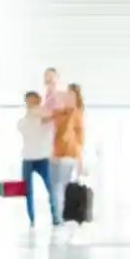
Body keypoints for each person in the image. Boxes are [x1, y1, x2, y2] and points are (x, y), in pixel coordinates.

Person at [17, 91, 58, 227]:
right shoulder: (23, 122)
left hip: (43, 159)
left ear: (38, 102)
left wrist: (41, 113)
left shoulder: (47, 121)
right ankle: (32, 219)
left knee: (51, 189)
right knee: (28, 192)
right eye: (28, 102)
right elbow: (28, 124)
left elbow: (53, 118)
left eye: (33, 102)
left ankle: (56, 218)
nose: (31, 104)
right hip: (28, 159)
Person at [50, 83, 85, 222]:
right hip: (55, 154)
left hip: (69, 155)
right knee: (54, 187)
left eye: (71, 95)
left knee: (62, 187)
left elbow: (80, 138)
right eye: (66, 94)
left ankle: (62, 216)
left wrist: (80, 159)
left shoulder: (76, 114)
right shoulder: (59, 112)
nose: (67, 97)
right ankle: (58, 216)